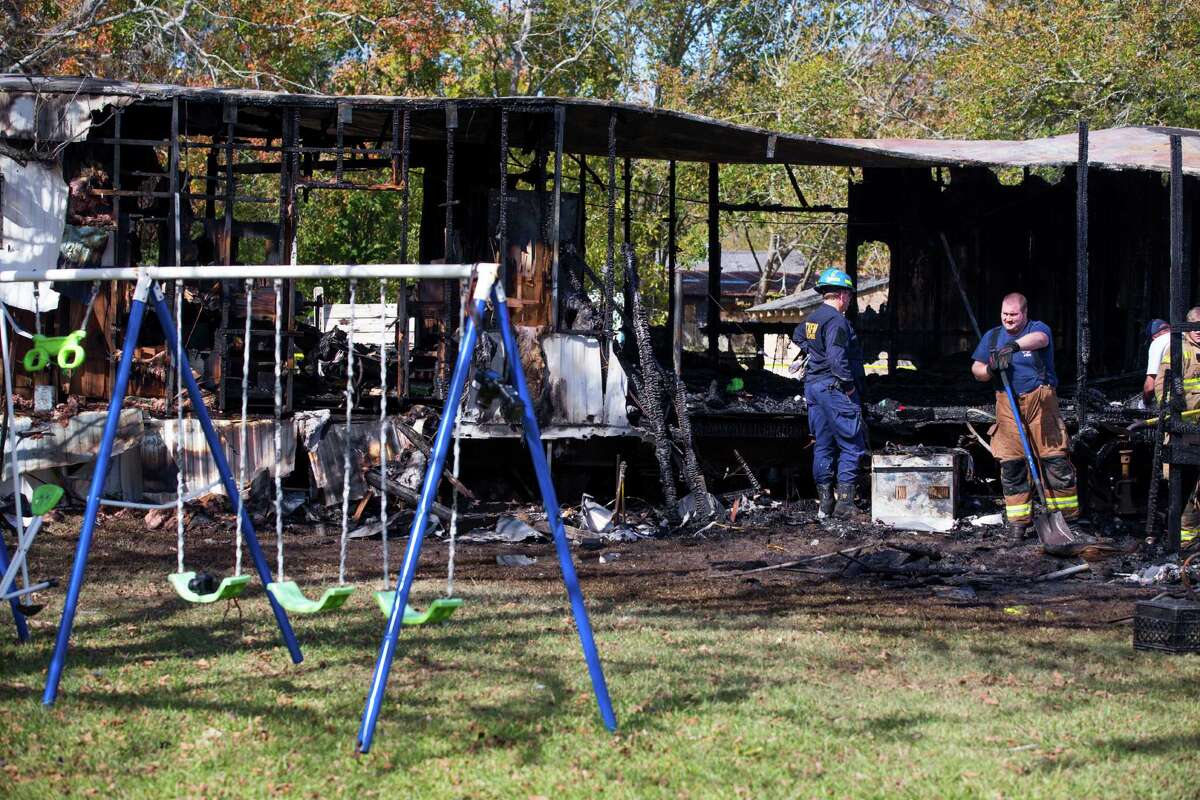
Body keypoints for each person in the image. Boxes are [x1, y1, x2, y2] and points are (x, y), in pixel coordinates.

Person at [971, 293, 1078, 536]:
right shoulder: (992, 336)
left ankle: (1068, 521)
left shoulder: (1037, 329)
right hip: (1007, 403)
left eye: (1013, 314)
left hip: (1040, 401)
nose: (1008, 319)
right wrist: (990, 368)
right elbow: (976, 369)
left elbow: (1040, 339)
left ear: (1025, 313)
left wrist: (1013, 346)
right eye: (1004, 314)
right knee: (1012, 464)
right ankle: (1019, 523)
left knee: (1054, 460)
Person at [795, 268, 867, 519]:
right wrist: (849, 386)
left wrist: (815, 355)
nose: (850, 300)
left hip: (814, 387)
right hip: (834, 388)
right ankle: (845, 505)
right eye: (850, 296)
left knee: (823, 444)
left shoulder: (813, 318)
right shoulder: (837, 321)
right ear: (843, 295)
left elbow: (798, 336)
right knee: (851, 444)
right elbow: (837, 359)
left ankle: (825, 504)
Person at [1154, 307, 1200, 548]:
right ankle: (1183, 537)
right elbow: (1162, 384)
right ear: (1187, 327)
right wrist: (1171, 410)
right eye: (1195, 327)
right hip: (1183, 428)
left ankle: (1190, 534)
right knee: (1182, 482)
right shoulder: (1178, 349)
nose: (1199, 332)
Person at [1144, 319, 1171, 407]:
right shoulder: (1186, 336)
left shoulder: (1158, 342)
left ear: (1153, 337)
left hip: (1174, 403)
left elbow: (1150, 387)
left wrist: (1145, 404)